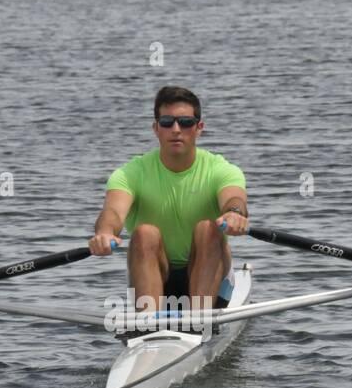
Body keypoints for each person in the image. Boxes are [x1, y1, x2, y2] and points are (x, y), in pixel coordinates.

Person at [89, 86, 248, 313]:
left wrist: (235, 213)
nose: (176, 129)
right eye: (166, 122)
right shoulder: (130, 173)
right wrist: (105, 232)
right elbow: (113, 212)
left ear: (198, 128)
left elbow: (234, 198)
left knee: (208, 228)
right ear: (156, 129)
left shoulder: (222, 170)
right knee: (144, 233)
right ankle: (149, 325)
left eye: (185, 122)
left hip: (211, 278)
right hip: (154, 275)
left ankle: (198, 319)